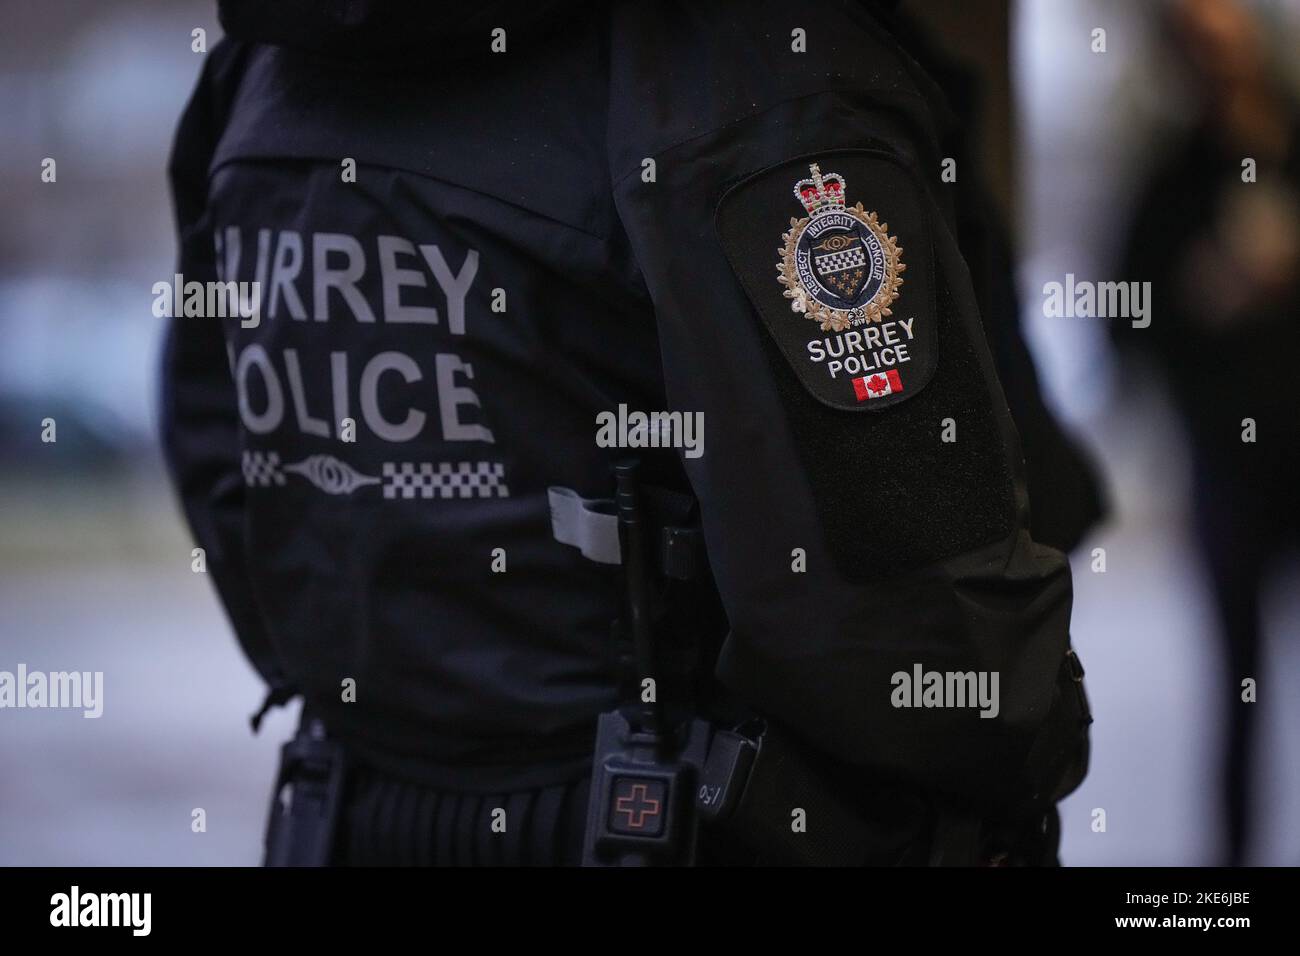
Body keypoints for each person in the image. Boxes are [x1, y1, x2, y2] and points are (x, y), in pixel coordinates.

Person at [162, 0, 1101, 866]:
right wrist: (1031, 738)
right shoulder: (747, 64)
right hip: (669, 817)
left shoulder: (258, 74)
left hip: (354, 811)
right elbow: (903, 616)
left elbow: (221, 455)